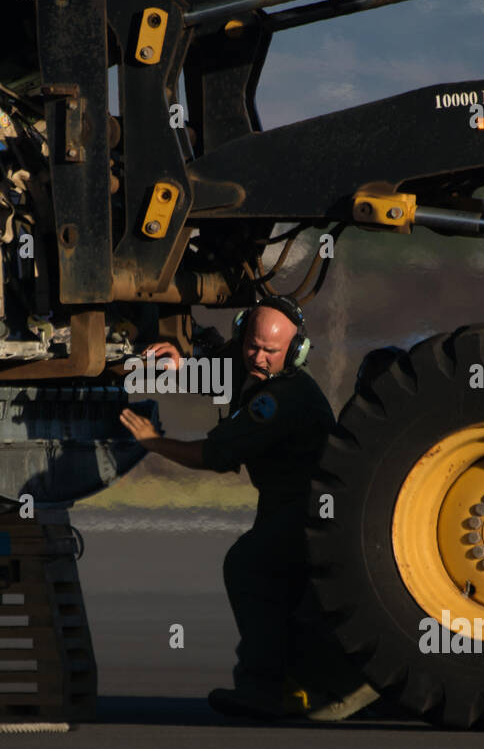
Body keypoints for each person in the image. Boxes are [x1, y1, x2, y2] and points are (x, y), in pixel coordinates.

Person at [119, 295, 378, 721]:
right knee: (290, 593)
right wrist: (181, 358)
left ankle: (265, 689)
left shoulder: (281, 399)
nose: (258, 357)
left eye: (270, 351)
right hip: (288, 504)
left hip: (312, 509)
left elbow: (215, 455)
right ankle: (306, 685)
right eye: (252, 346)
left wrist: (152, 442)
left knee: (249, 565)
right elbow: (220, 370)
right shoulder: (254, 364)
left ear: (296, 352)